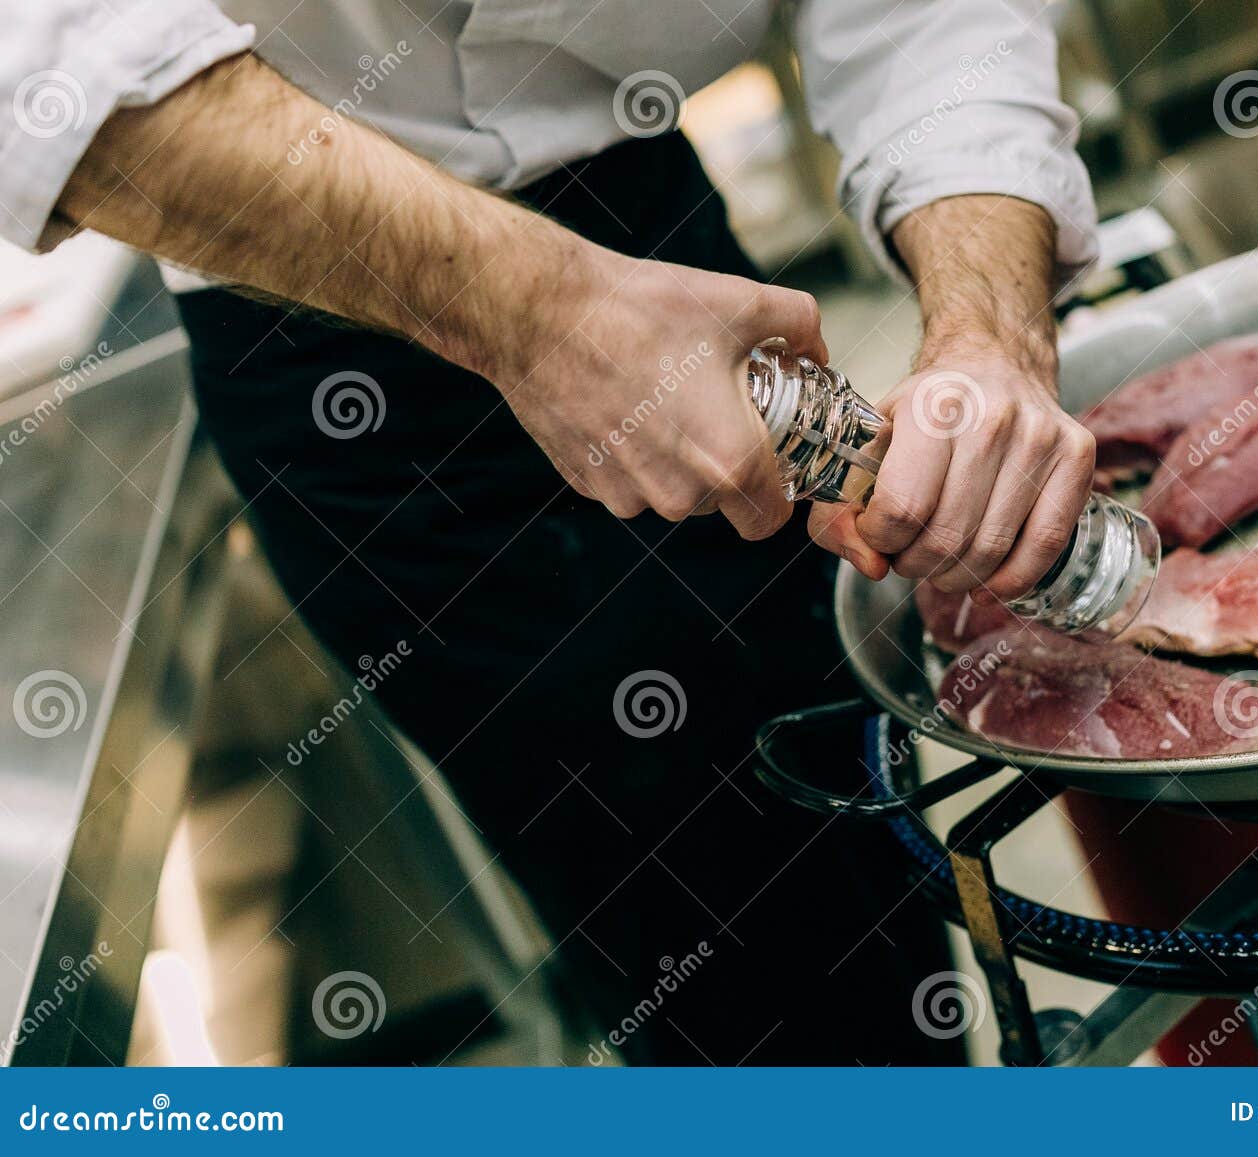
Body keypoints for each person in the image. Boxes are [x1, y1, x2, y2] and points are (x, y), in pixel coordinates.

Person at [1, 1, 1099, 1063]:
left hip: (658, 232)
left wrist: (989, 332)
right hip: (339, 317)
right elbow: (57, 64)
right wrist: (544, 314)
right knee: (715, 977)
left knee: (854, 883)